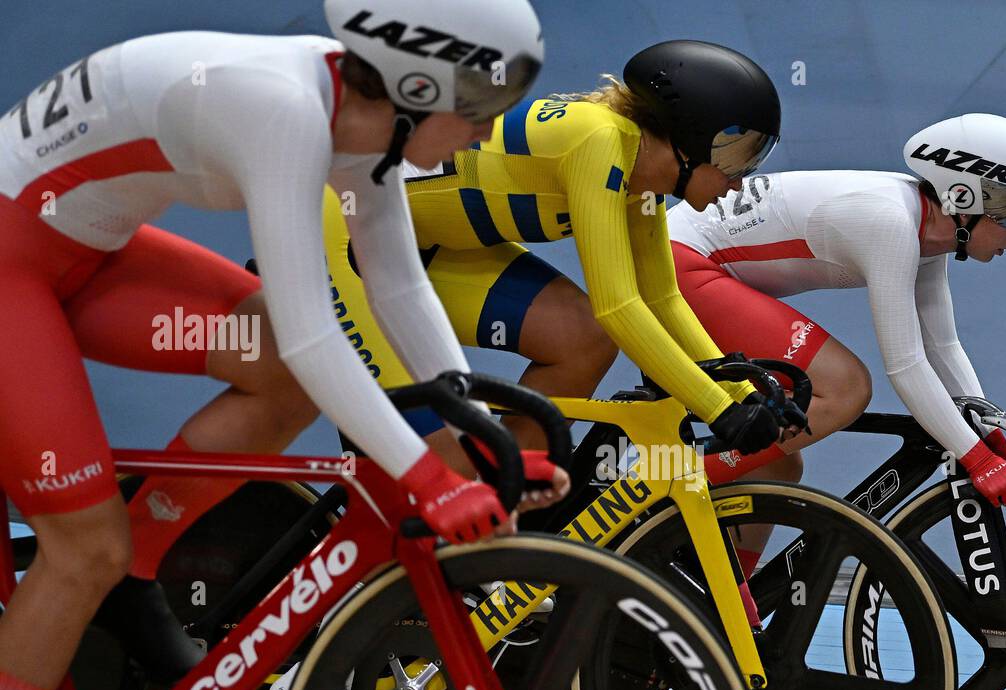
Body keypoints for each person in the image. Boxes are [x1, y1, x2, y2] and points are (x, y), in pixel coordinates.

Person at [0, 0, 554, 690]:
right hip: (12, 262)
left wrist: (475, 442)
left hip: (87, 251)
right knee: (78, 547)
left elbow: (395, 283)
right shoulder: (283, 109)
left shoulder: (366, 128)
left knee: (274, 382)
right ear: (417, 88)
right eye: (482, 106)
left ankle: (135, 575)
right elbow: (311, 330)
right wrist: (428, 480)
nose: (487, 132)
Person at [323, 39, 788, 469]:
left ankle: (507, 495)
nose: (739, 180)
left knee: (582, 338)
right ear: (687, 140)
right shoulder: (598, 142)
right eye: (735, 156)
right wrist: (717, 408)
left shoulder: (641, 176)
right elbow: (618, 306)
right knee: (445, 469)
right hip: (346, 238)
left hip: (424, 244)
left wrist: (743, 395)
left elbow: (661, 299)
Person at [664, 113, 1006, 597]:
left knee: (775, 464)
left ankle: (712, 594)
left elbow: (942, 345)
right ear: (962, 198)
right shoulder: (890, 221)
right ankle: (672, 484)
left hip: (690, 258)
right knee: (844, 388)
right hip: (682, 262)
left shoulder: (928, 233)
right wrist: (977, 458)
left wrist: (985, 429)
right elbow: (906, 365)